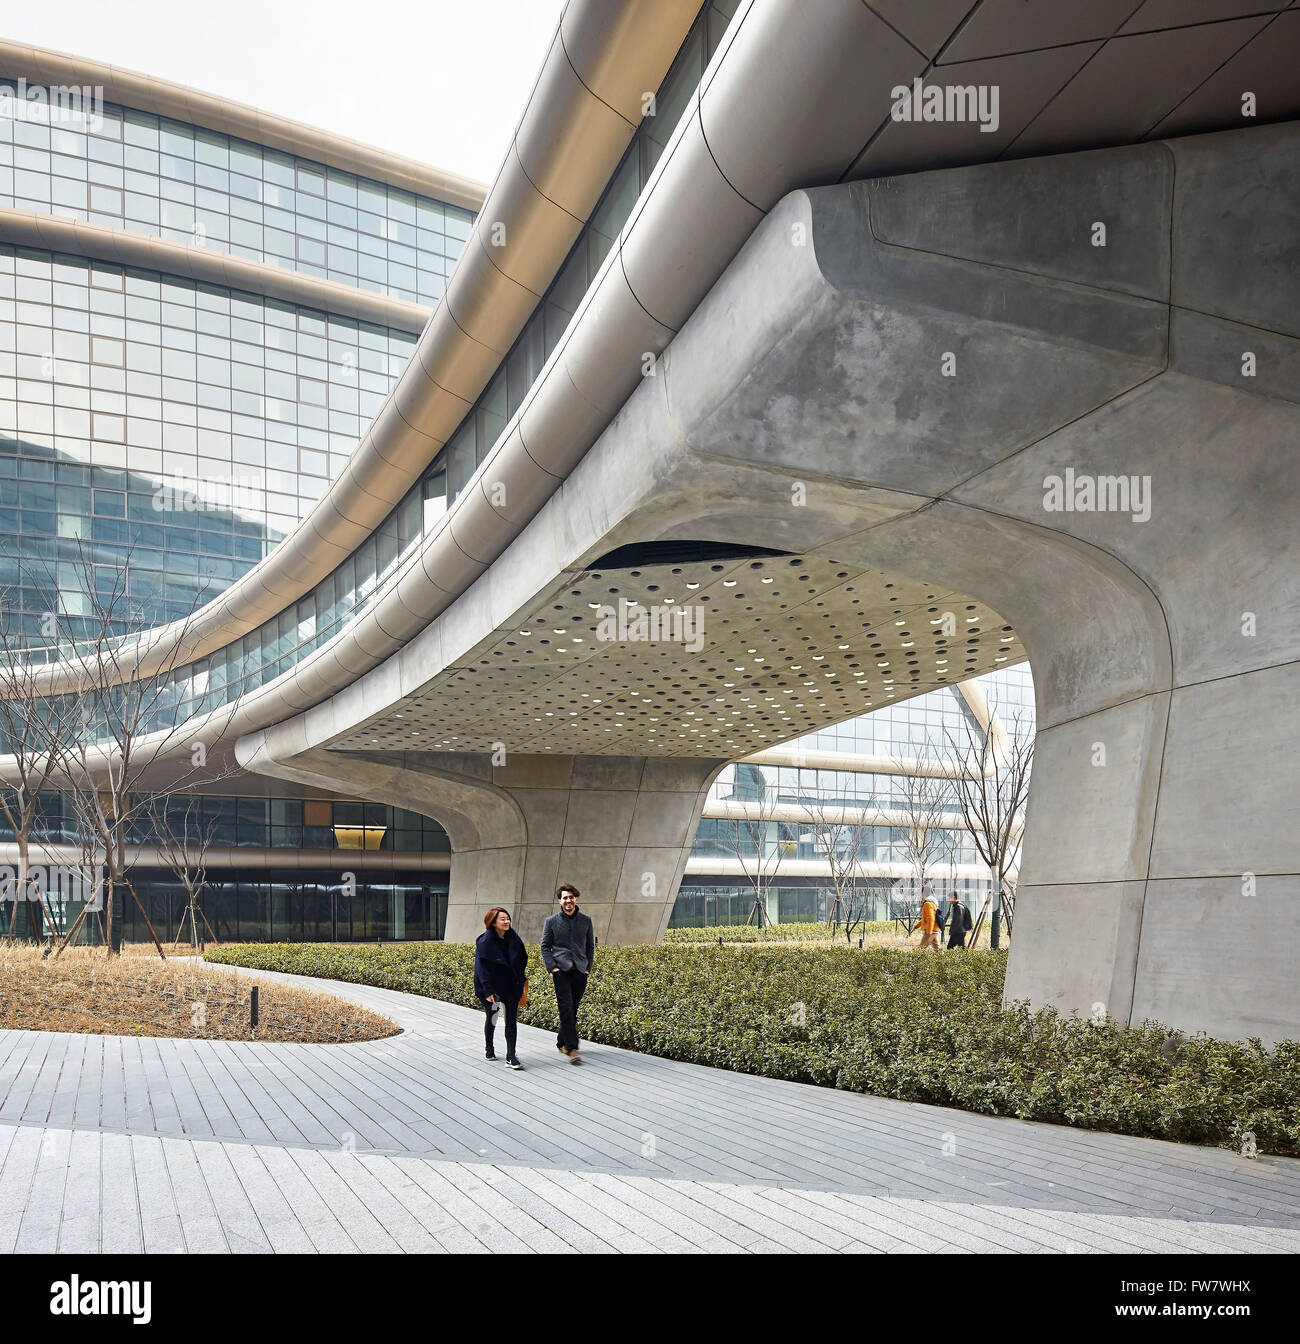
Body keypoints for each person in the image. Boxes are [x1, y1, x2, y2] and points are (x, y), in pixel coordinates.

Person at [540, 883, 594, 1064]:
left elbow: (590, 946)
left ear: (575, 899)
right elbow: (545, 946)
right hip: (561, 971)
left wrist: (588, 967)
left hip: (580, 971)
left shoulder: (586, 920)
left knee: (573, 1009)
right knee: (566, 1008)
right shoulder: (551, 921)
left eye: (571, 897)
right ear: (559, 901)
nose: (568, 900)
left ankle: (561, 1042)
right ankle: (572, 1048)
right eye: (565, 898)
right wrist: (552, 967)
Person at [474, 906, 528, 1069]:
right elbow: (481, 968)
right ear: (493, 922)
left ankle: (511, 1056)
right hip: (492, 987)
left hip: (511, 985)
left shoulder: (514, 938)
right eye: (502, 919)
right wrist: (488, 989)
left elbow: (523, 958)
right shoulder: (485, 942)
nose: (507, 921)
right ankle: (489, 1048)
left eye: (507, 918)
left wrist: (519, 976)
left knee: (511, 1020)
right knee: (493, 1017)